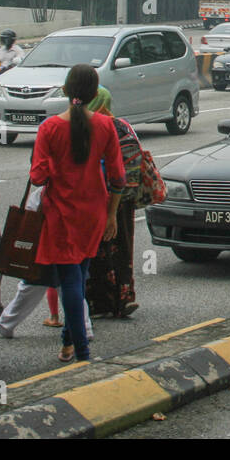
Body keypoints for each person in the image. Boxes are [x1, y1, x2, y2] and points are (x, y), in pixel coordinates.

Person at [31, 63, 125, 362]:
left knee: (70, 280)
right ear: (96, 92)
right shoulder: (105, 125)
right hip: (94, 212)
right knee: (80, 276)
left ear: (66, 90)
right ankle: (68, 341)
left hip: (61, 214)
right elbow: (118, 178)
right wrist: (111, 216)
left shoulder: (49, 128)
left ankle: (82, 351)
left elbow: (37, 176)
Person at [85, 87, 141, 319]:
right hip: (125, 198)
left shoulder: (90, 127)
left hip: (99, 198)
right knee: (123, 248)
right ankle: (125, 297)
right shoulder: (123, 125)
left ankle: (99, 302)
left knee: (97, 250)